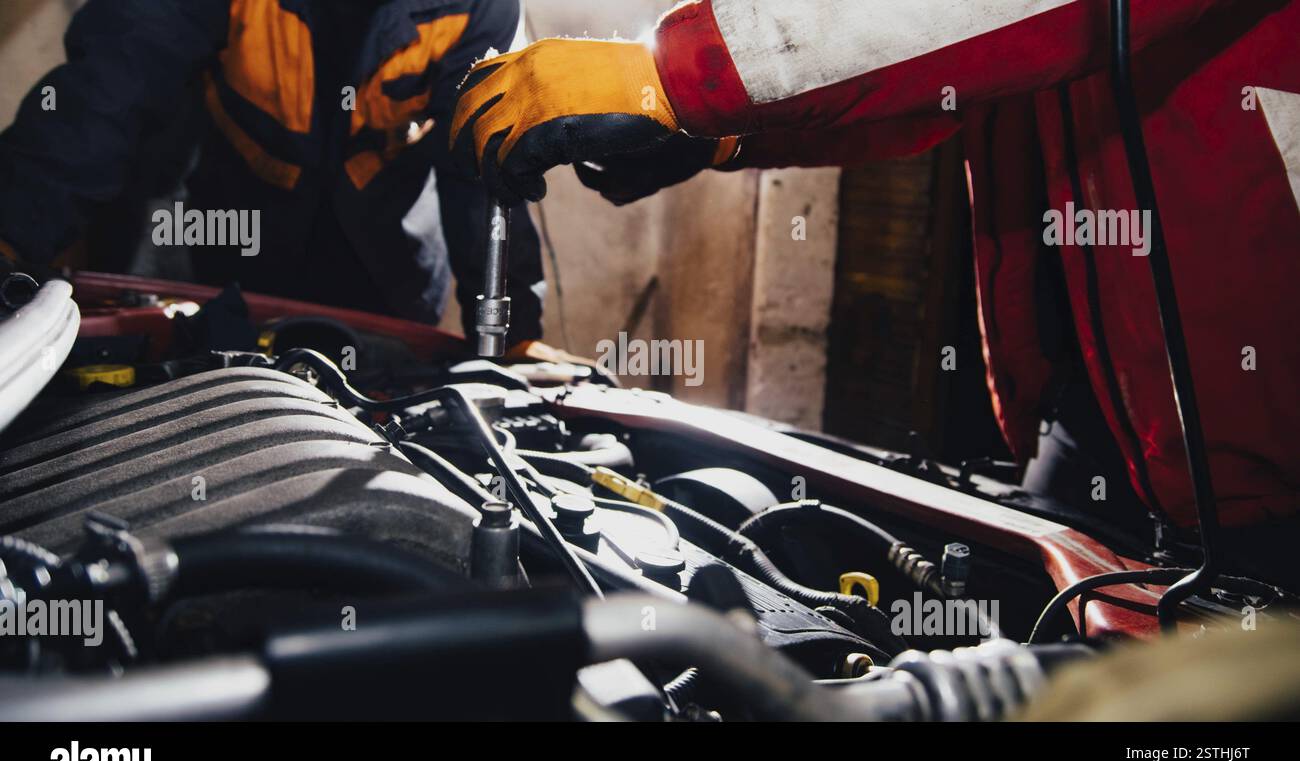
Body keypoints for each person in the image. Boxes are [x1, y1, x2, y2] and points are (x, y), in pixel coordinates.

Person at [449, 0, 1299, 577]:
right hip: (1103, 427)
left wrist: (673, 71)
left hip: (1270, 452)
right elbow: (954, 86)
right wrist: (719, 137)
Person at [0, 0, 550, 352]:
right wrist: (11, 234)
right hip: (238, 251)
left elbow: (478, 164)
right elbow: (104, 92)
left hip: (384, 275)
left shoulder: (479, 5)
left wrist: (516, 334)